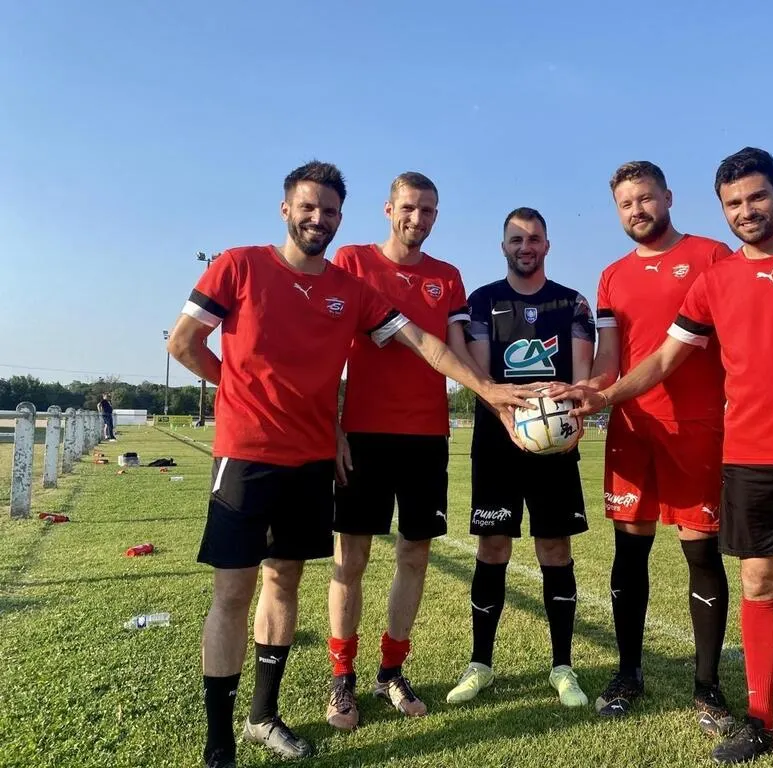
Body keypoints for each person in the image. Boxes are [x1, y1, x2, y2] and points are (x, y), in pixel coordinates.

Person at [167, 161, 538, 768]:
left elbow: (427, 343)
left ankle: (263, 717)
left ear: (342, 216)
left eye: (329, 211)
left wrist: (489, 391)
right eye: (309, 208)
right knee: (234, 590)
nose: (319, 219)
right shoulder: (239, 264)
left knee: (284, 579)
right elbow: (183, 344)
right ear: (286, 208)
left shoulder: (352, 290)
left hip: (314, 456)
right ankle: (218, 743)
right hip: (250, 455)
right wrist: (239, 390)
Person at [561, 148, 773, 767]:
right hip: (745, 453)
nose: (747, 211)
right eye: (735, 204)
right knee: (757, 581)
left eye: (757, 197)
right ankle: (760, 721)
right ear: (722, 209)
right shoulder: (716, 279)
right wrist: (603, 395)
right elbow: (666, 358)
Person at [571, 160, 735, 732]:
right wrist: (582, 391)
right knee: (629, 554)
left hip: (696, 427)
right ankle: (628, 671)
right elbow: (610, 360)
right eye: (625, 203)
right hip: (632, 429)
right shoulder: (612, 275)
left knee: (701, 554)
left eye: (645, 198)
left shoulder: (715, 256)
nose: (636, 210)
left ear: (668, 197)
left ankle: (707, 688)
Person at [326, 172, 475, 728]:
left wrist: (507, 394)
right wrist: (332, 423)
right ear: (389, 209)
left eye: (430, 210)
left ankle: (391, 670)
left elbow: (458, 352)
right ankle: (342, 679)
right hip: (363, 433)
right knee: (352, 558)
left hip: (426, 435)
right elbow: (331, 345)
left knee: (415, 554)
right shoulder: (353, 260)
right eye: (410, 208)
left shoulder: (447, 277)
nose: (419, 219)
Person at [445, 207, 594, 709]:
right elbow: (483, 376)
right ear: (503, 245)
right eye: (515, 239)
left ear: (547, 244)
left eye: (533, 238)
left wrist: (573, 414)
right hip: (497, 441)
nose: (525, 246)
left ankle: (563, 667)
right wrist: (509, 414)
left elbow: (581, 372)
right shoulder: (483, 302)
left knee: (555, 550)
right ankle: (480, 664)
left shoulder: (572, 302)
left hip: (554, 445)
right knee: (493, 550)